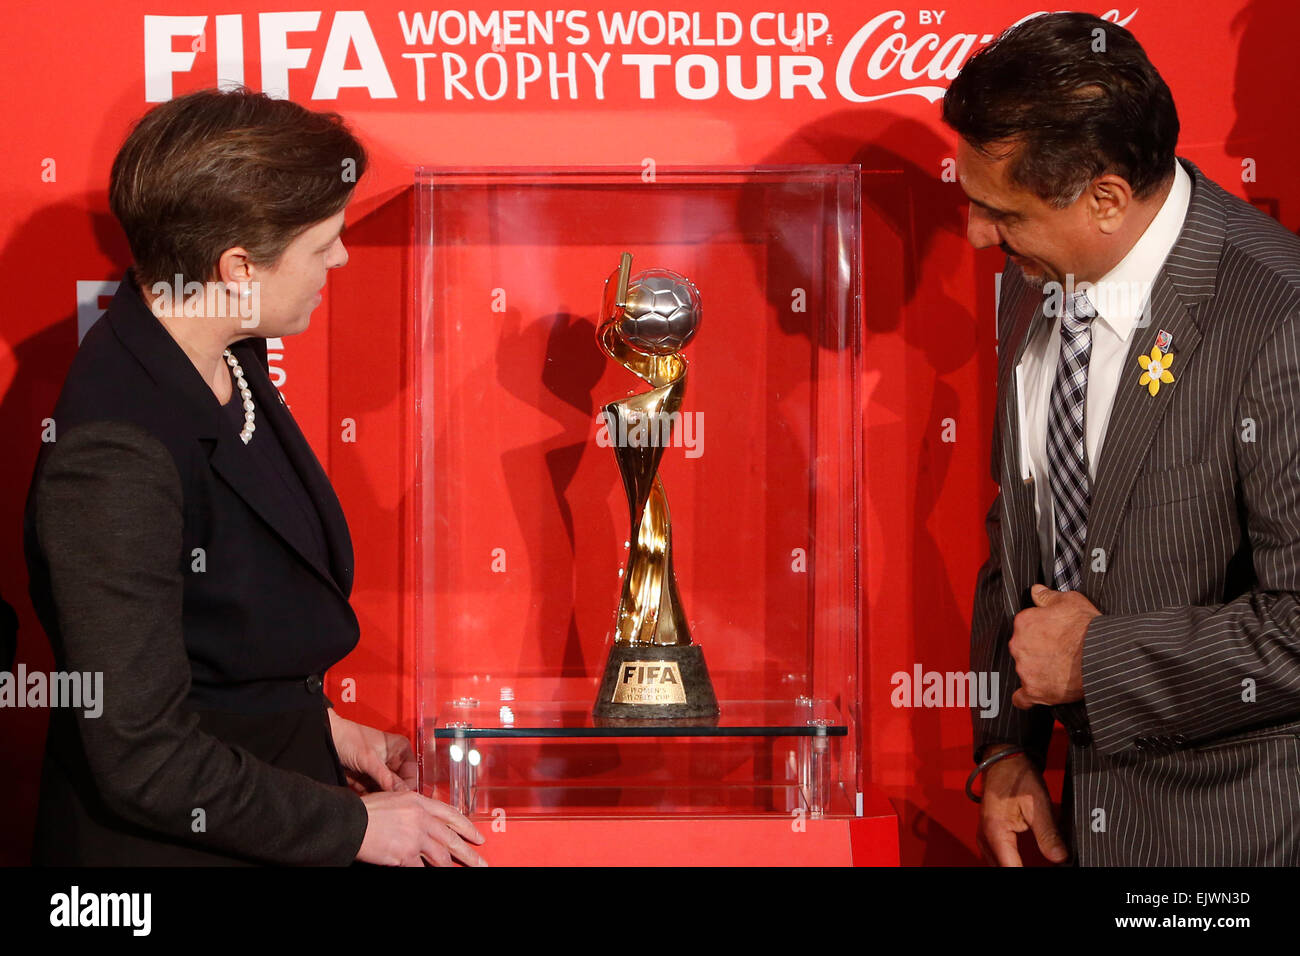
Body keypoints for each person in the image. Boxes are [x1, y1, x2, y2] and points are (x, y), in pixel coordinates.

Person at [23, 87, 486, 866]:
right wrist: (358, 828)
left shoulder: (221, 353)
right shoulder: (115, 456)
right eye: (322, 243)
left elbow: (214, 655)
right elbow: (144, 757)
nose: (340, 257)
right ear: (237, 266)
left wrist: (324, 731)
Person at [947, 13, 1300, 865]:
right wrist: (1007, 745)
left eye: (1002, 214)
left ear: (1105, 198)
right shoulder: (1035, 275)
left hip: (1233, 843)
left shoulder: (1277, 318)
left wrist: (1097, 662)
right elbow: (1022, 520)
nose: (976, 236)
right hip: (1084, 823)